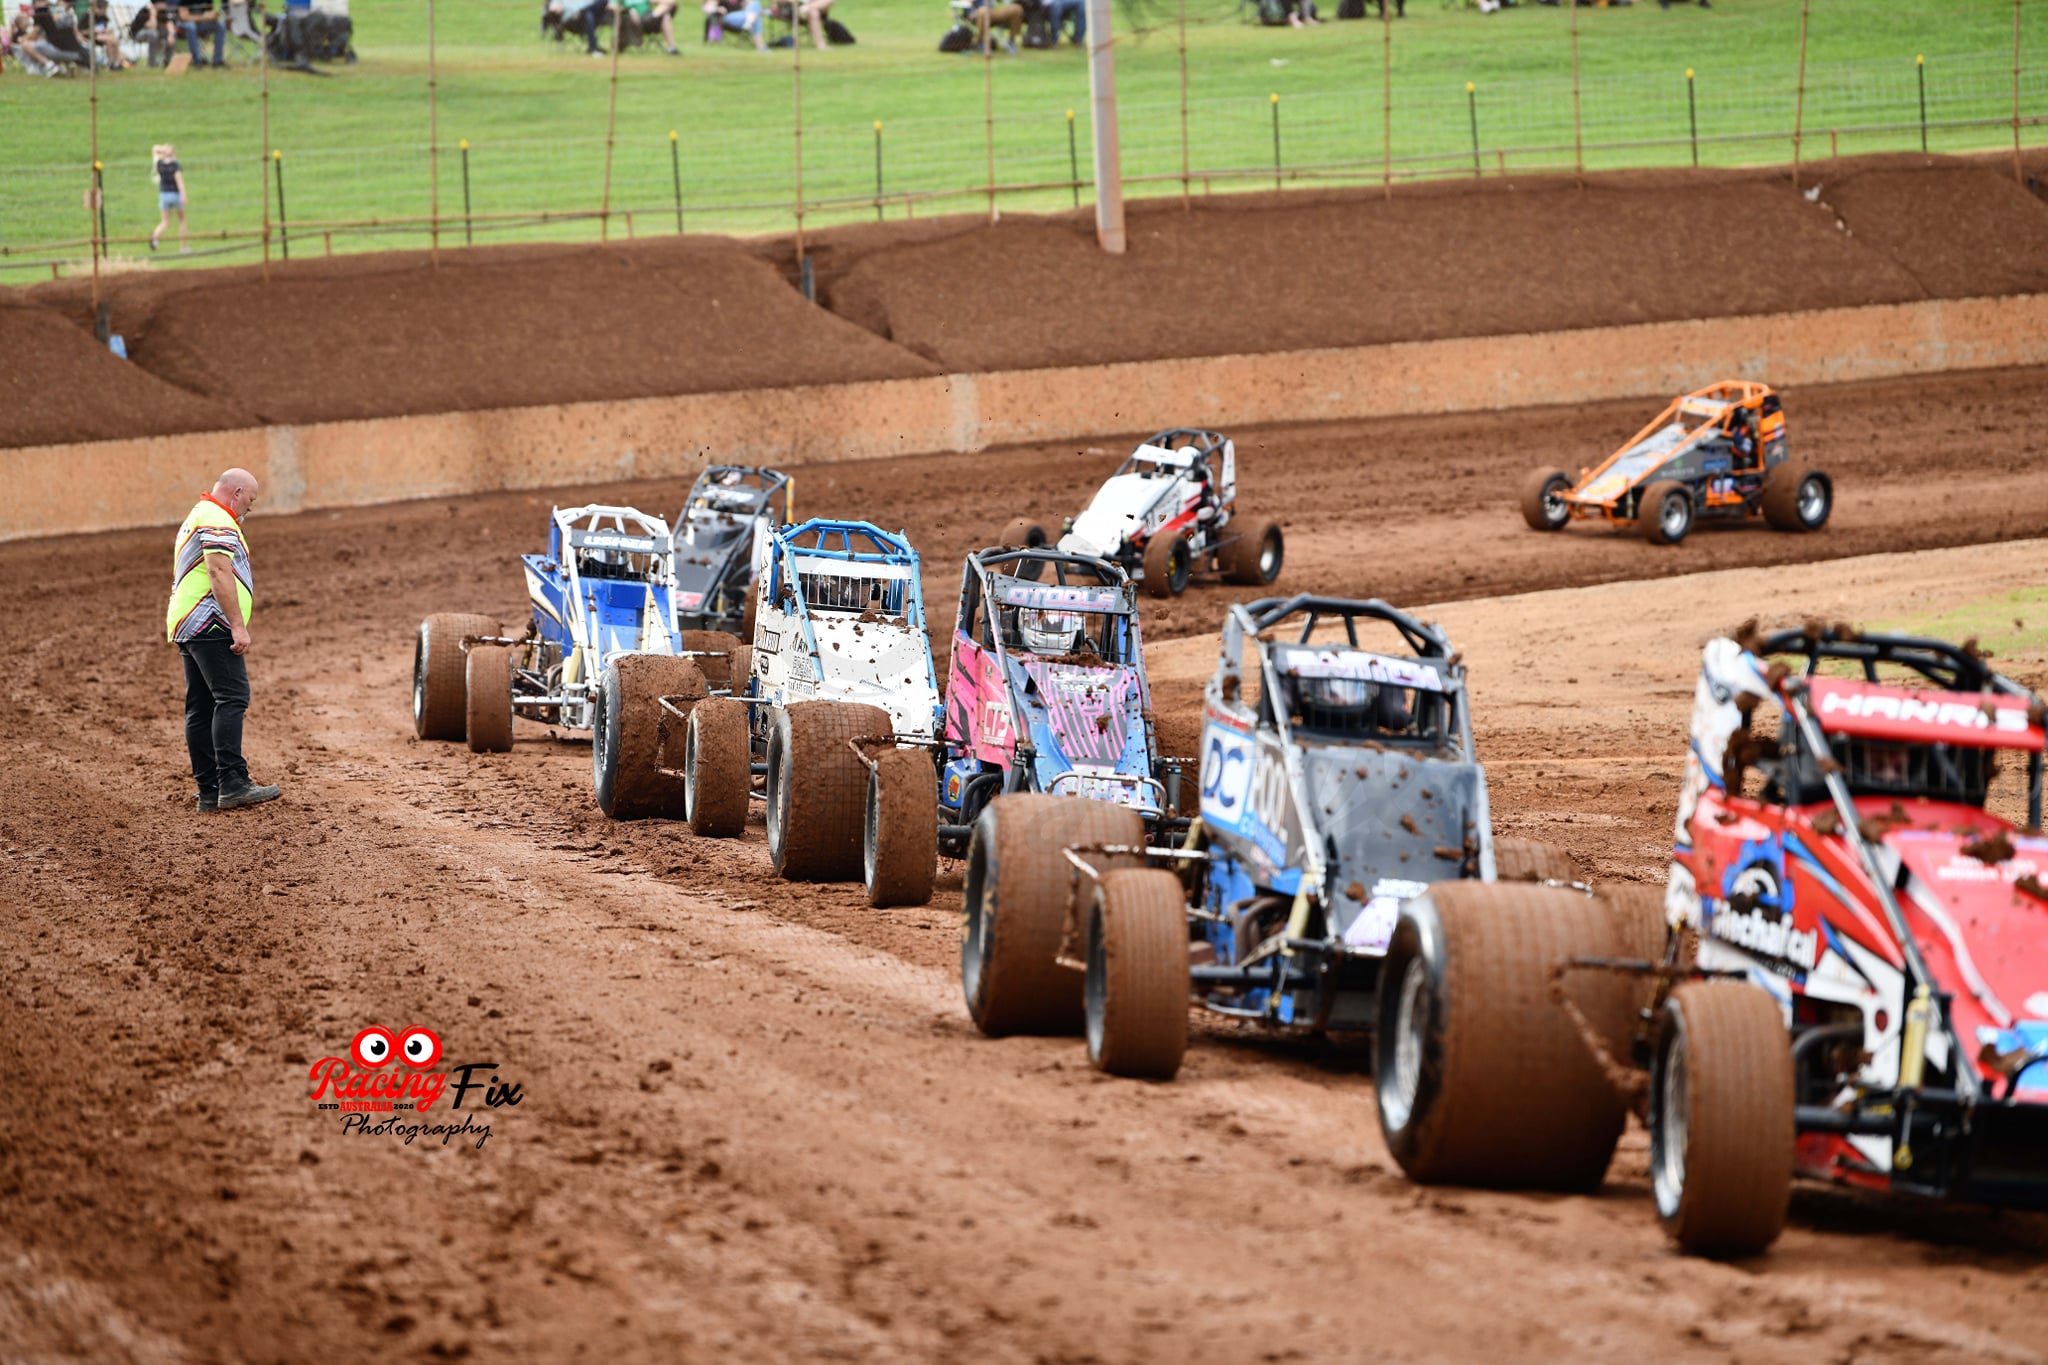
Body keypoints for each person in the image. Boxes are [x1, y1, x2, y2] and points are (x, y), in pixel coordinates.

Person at [167, 469, 281, 814]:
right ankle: (232, 782)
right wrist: (237, 626)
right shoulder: (218, 519)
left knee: (200, 707)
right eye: (251, 499)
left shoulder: (198, 514)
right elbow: (218, 571)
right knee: (232, 696)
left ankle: (209, 789)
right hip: (210, 623)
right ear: (236, 492)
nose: (251, 507)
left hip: (188, 623)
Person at [150, 143, 188, 252]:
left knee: (165, 222)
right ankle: (183, 246)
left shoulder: (159, 164)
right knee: (182, 220)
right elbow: (179, 181)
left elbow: (154, 148)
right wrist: (184, 195)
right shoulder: (175, 165)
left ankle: (155, 237)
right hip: (175, 195)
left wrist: (163, 150)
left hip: (164, 195)